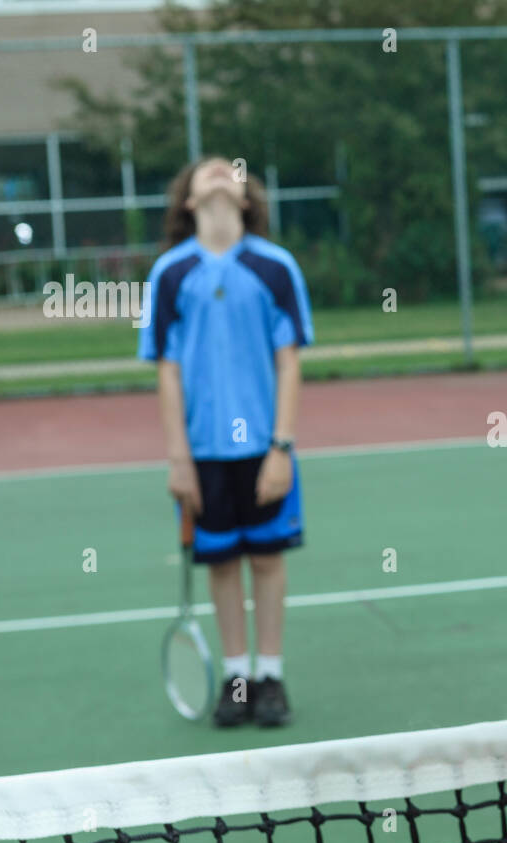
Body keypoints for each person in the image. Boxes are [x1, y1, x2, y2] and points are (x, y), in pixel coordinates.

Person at [138, 156, 314, 728]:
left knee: (266, 560)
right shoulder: (170, 273)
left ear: (245, 197)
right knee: (221, 565)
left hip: (265, 451)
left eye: (229, 170)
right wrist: (178, 459)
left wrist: (281, 448)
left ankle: (270, 675)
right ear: (188, 200)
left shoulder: (275, 267)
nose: (218, 172)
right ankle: (236, 678)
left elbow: (289, 365)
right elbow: (167, 370)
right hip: (202, 456)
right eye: (205, 170)